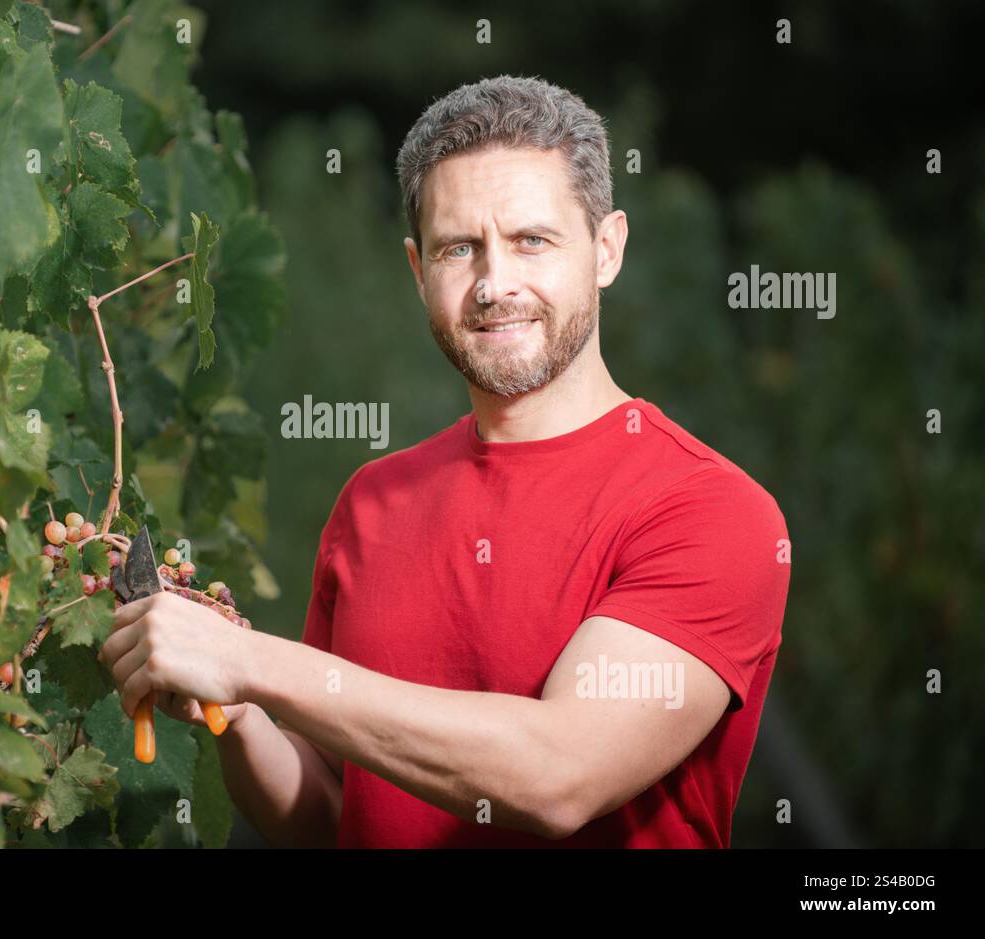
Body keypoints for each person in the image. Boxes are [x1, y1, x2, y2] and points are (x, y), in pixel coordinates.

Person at [99, 75, 791, 848]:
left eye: (532, 239)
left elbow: (559, 775)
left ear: (607, 249)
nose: (496, 285)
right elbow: (332, 817)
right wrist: (230, 709)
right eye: (459, 248)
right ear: (417, 269)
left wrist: (247, 659)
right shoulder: (373, 501)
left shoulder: (710, 509)